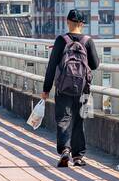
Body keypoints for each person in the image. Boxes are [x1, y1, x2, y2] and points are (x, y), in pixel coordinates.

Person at [40, 9, 101, 168]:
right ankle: (78, 157)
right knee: (79, 120)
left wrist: (46, 89)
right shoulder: (88, 41)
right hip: (83, 90)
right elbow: (94, 65)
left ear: (67, 22)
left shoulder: (61, 40)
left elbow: (52, 66)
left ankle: (65, 150)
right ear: (82, 24)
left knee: (63, 119)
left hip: (63, 88)